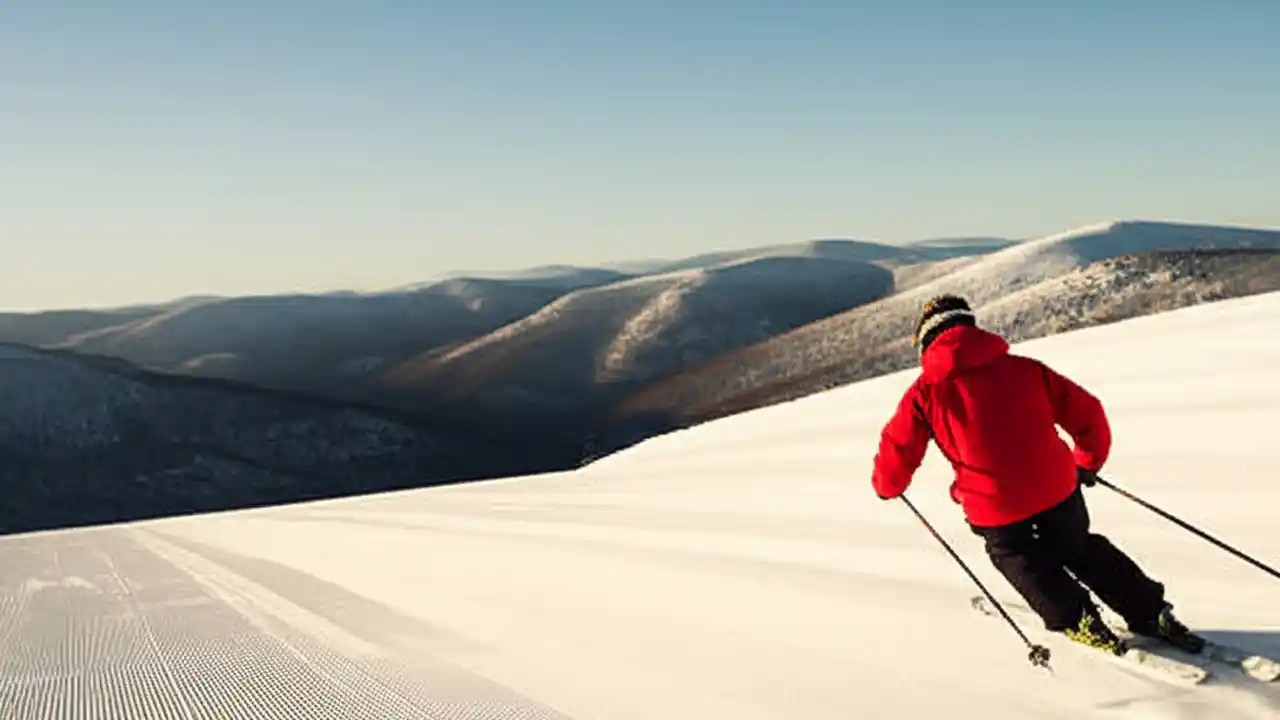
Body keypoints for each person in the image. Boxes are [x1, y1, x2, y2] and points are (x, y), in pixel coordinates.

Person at [871, 295, 1203, 655]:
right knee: (1080, 547)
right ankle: (1150, 613)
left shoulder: (924, 394)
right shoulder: (1027, 369)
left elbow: (898, 449)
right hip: (1058, 487)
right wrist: (1087, 462)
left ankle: (1077, 619)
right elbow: (1088, 414)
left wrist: (887, 487)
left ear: (924, 342)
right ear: (972, 326)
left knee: (1020, 560)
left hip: (993, 504)